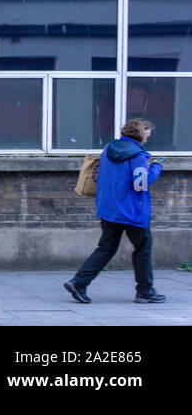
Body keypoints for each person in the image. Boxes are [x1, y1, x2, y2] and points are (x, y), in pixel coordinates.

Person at [64, 118, 165, 304]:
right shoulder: (138, 156)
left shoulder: (109, 149)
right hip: (132, 212)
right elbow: (140, 184)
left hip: (109, 209)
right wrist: (156, 167)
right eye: (147, 135)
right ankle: (145, 291)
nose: (147, 139)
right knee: (143, 249)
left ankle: (79, 282)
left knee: (106, 248)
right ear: (141, 134)